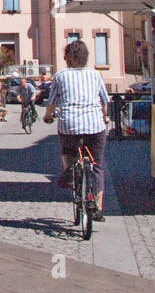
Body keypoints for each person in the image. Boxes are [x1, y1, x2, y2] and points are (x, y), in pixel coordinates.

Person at [43, 40, 111, 220]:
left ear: (67, 59)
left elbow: (51, 102)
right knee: (97, 165)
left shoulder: (60, 76)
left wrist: (47, 116)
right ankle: (96, 206)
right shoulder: (95, 75)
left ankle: (69, 171)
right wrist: (105, 117)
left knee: (68, 148)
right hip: (95, 125)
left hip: (69, 124)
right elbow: (104, 101)